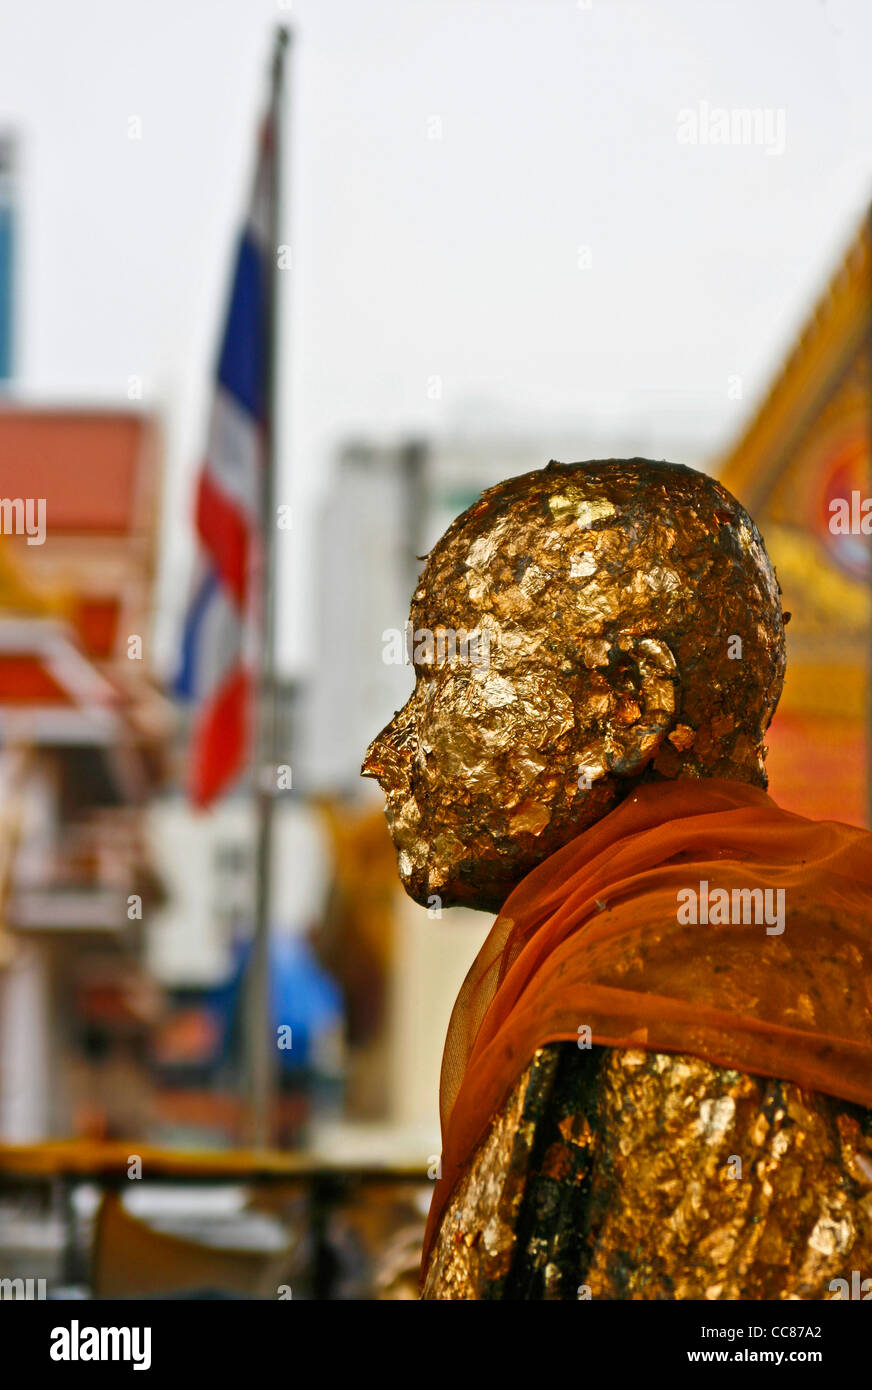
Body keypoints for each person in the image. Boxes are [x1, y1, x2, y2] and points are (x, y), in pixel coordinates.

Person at [362, 458, 872, 1299]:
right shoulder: (622, 962)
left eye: (444, 681)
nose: (385, 754)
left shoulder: (676, 1015)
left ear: (627, 704)